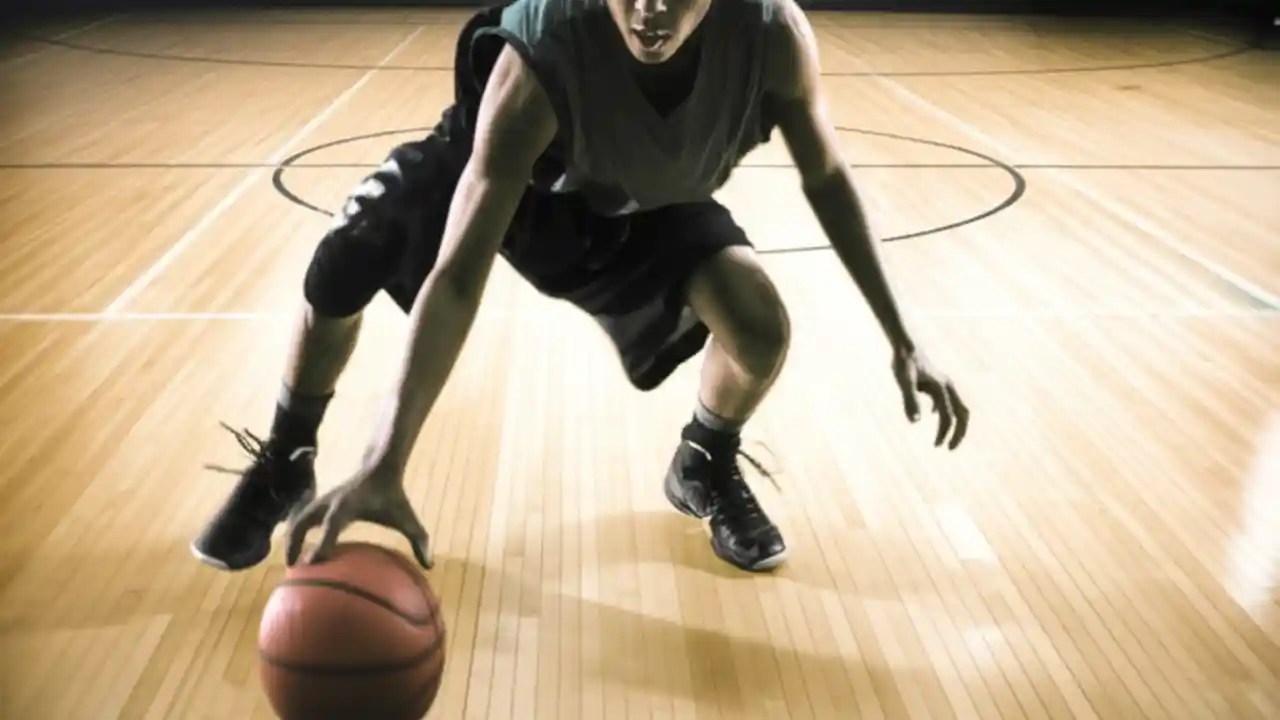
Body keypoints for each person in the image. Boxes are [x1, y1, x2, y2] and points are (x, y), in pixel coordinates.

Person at [191, 0, 969, 576]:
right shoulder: (545, 51)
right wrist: (386, 459)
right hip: (510, 176)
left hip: (632, 203)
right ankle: (288, 455)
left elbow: (827, 177)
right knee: (341, 264)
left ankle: (703, 460)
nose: (652, 7)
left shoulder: (771, 38)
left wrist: (904, 335)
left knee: (760, 328)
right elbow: (458, 276)